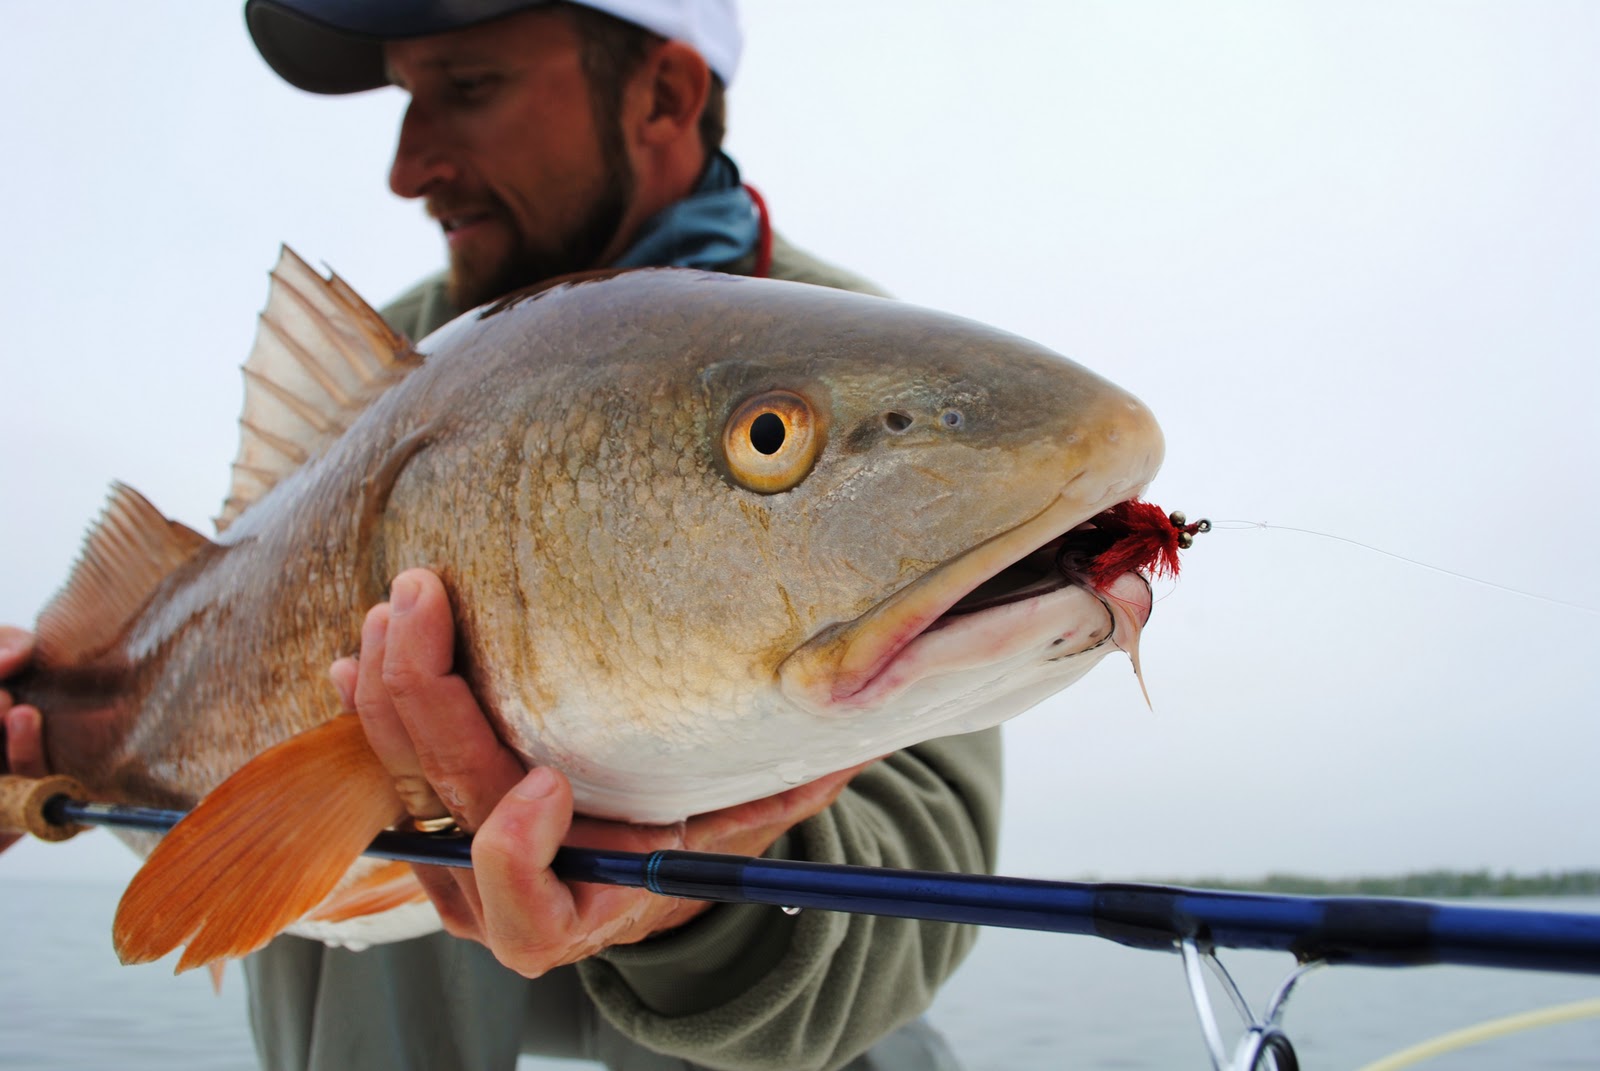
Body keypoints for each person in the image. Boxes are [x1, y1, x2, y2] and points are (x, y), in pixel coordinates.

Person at [3, 3, 1004, 1068]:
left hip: (717, 1016)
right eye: (407, 96)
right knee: (396, 774)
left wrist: (687, 905)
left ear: (665, 97)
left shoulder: (870, 388)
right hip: (386, 944)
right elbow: (213, 696)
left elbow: (926, 858)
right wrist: (53, 757)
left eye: (468, 87)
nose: (408, 164)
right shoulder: (391, 359)